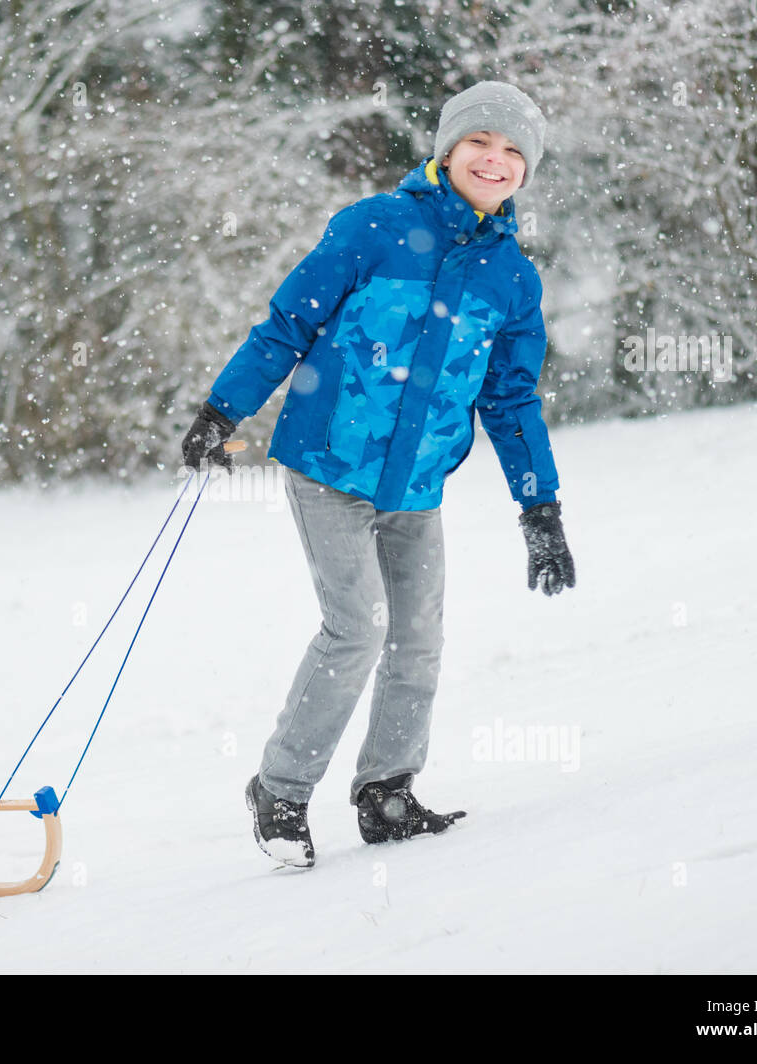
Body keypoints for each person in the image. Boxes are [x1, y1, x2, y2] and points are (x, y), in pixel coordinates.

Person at [181, 81, 576, 869]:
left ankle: (386, 789)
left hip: (418, 482)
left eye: (510, 152)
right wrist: (224, 411)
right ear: (446, 150)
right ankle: (280, 790)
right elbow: (287, 322)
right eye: (478, 144)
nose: (493, 161)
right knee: (356, 627)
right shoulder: (375, 227)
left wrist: (541, 509)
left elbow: (510, 400)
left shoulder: (511, 280)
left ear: (524, 172)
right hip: (329, 465)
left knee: (419, 637)